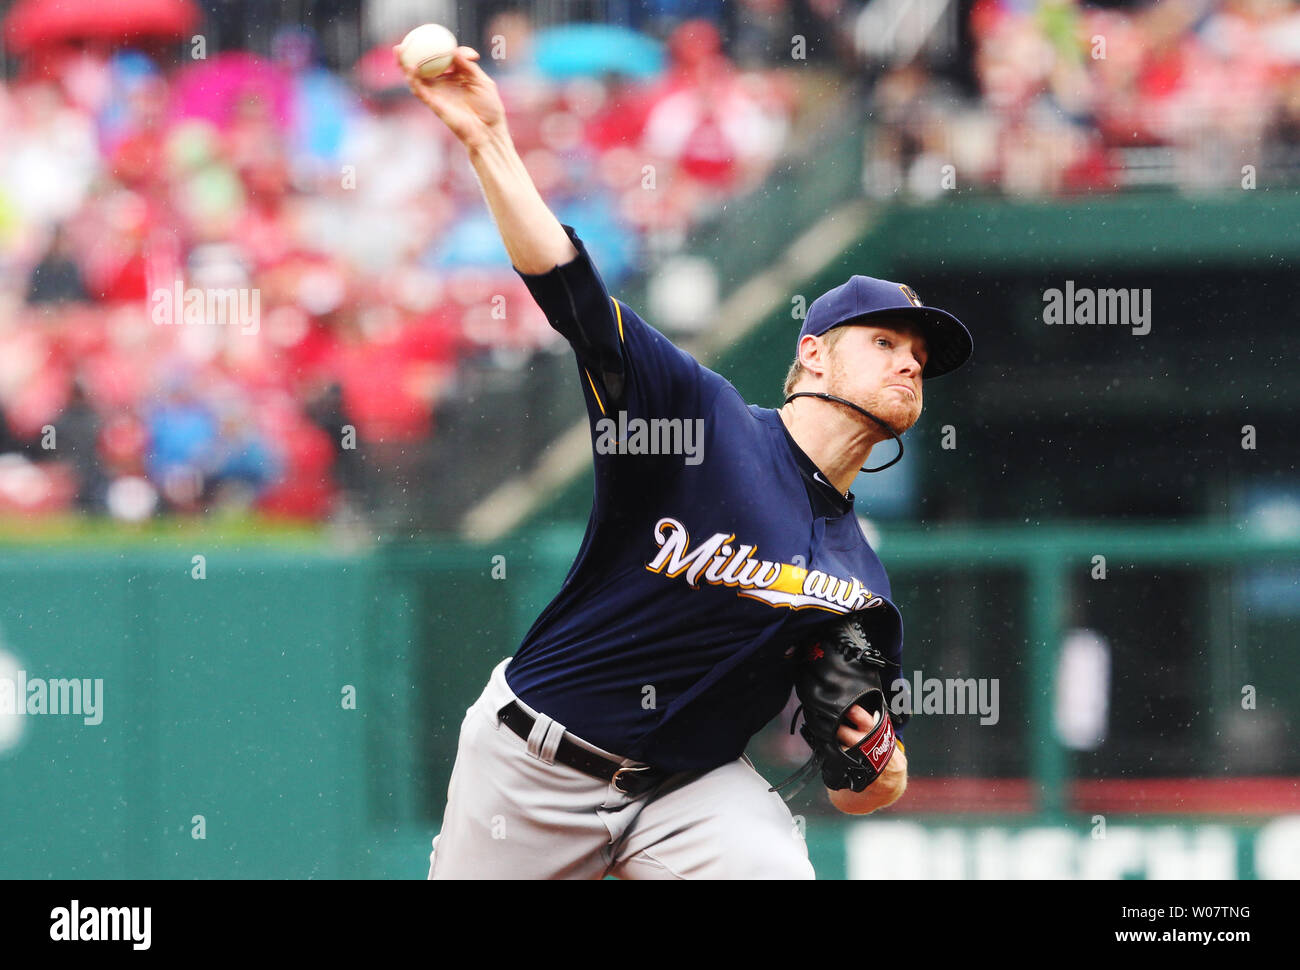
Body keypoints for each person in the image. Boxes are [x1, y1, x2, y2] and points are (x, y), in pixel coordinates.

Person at [401, 45, 973, 880]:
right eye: (884, 341)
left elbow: (862, 785)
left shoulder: (858, 580)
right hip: (535, 767)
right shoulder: (700, 419)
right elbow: (575, 297)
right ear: (811, 355)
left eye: (921, 354)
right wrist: (489, 141)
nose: (909, 362)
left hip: (689, 793)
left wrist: (883, 762)